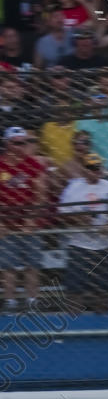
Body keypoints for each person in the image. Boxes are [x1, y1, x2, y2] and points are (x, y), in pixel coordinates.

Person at [58, 153, 108, 310]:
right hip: (79, 244)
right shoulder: (74, 187)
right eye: (91, 168)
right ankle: (74, 326)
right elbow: (62, 214)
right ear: (84, 169)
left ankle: (103, 323)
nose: (95, 171)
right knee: (75, 289)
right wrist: (79, 219)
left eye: (97, 167)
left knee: (102, 289)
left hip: (103, 245)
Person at [0, 127, 47, 309]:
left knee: (32, 264)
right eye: (16, 143)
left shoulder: (33, 164)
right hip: (6, 222)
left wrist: (31, 219)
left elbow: (41, 193)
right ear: (7, 143)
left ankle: (32, 301)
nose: (21, 146)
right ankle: (10, 302)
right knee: (7, 266)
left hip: (29, 220)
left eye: (24, 142)